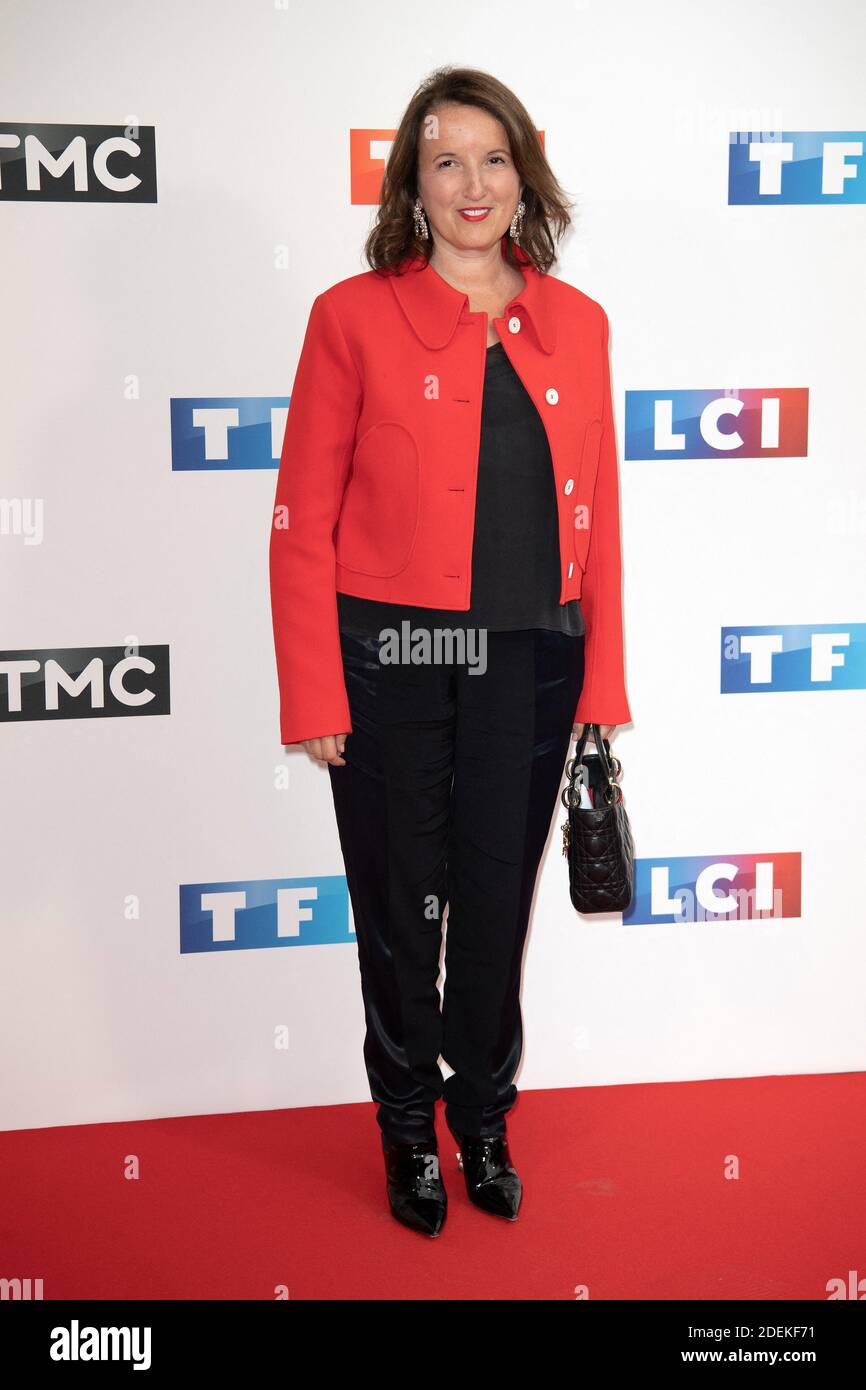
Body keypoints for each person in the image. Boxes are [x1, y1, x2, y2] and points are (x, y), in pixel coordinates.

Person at [269, 66, 631, 1238]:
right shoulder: (349, 317)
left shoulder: (577, 323)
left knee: (490, 909)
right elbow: (299, 520)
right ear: (411, 186)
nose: (472, 183)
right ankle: (401, 1130)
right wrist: (315, 690)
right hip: (392, 666)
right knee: (396, 912)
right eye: (445, 161)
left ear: (522, 172)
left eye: (492, 157)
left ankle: (482, 1118)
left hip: (529, 666)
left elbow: (601, 524)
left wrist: (600, 684)